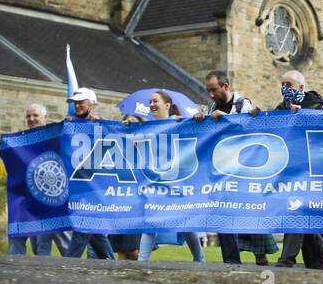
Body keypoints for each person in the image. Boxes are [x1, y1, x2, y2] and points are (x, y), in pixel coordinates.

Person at [194, 70, 259, 265]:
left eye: (214, 90)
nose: (211, 94)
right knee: (222, 214)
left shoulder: (242, 104)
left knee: (251, 215)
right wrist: (200, 120)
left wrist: (226, 118)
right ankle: (231, 262)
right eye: (208, 90)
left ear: (225, 86)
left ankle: (261, 259)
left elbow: (250, 130)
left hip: (245, 170)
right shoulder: (212, 106)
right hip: (221, 170)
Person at [132, 91, 205, 263]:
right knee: (150, 223)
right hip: (155, 183)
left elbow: (201, 132)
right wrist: (129, 127)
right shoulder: (147, 127)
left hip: (177, 182)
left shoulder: (179, 123)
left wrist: (199, 118)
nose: (151, 104)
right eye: (150, 101)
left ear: (167, 105)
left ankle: (199, 258)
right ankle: (143, 261)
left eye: (155, 101)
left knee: (185, 223)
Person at [274, 70, 323, 270]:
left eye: (289, 85)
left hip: (312, 170)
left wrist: (302, 116)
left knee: (298, 210)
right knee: (300, 211)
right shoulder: (279, 110)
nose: (285, 89)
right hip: (289, 170)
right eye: (282, 84)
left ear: (301, 88)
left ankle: (287, 260)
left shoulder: (315, 108)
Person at [61, 89, 116, 260]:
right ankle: (112, 263)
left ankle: (68, 264)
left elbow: (118, 145)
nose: (77, 105)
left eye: (81, 102)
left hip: (95, 188)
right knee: (95, 232)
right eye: (75, 102)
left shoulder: (101, 125)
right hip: (77, 187)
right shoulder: (69, 126)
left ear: (91, 104)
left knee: (83, 227)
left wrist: (101, 126)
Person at [7, 103, 59, 257]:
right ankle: (13, 268)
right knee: (16, 235)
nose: (31, 119)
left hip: (45, 196)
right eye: (28, 116)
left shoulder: (53, 137)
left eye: (35, 115)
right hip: (22, 197)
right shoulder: (20, 140)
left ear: (44, 117)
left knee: (42, 244)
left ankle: (43, 272)